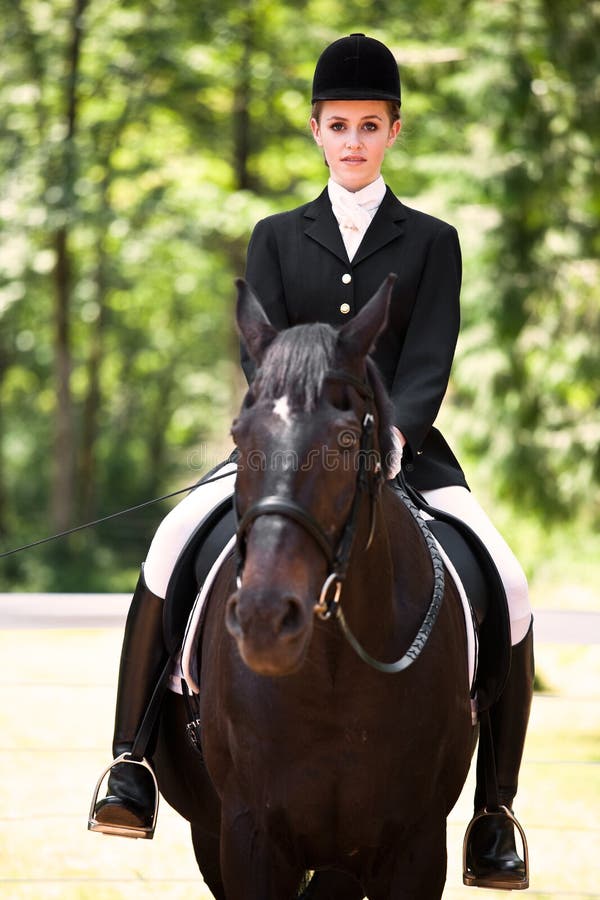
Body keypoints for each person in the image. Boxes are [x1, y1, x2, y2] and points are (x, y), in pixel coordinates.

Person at [89, 33, 533, 891]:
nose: (355, 140)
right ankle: (130, 762)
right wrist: (284, 438)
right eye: (340, 125)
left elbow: (428, 358)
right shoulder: (274, 236)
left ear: (395, 132)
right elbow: (264, 360)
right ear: (317, 131)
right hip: (288, 452)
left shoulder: (433, 240)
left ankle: (492, 813)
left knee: (507, 578)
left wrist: (393, 434)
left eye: (371, 125)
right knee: (172, 541)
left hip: (402, 450)